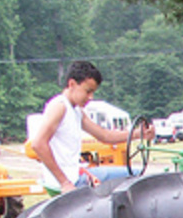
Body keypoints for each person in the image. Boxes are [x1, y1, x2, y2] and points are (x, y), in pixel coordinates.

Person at [31, 60, 144, 193]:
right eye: (88, 91)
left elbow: (105, 136)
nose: (91, 97)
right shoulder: (59, 107)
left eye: (93, 92)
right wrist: (65, 183)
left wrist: (138, 134)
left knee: (137, 173)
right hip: (71, 182)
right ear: (72, 84)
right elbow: (38, 144)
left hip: (76, 174)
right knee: (138, 177)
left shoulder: (76, 111)